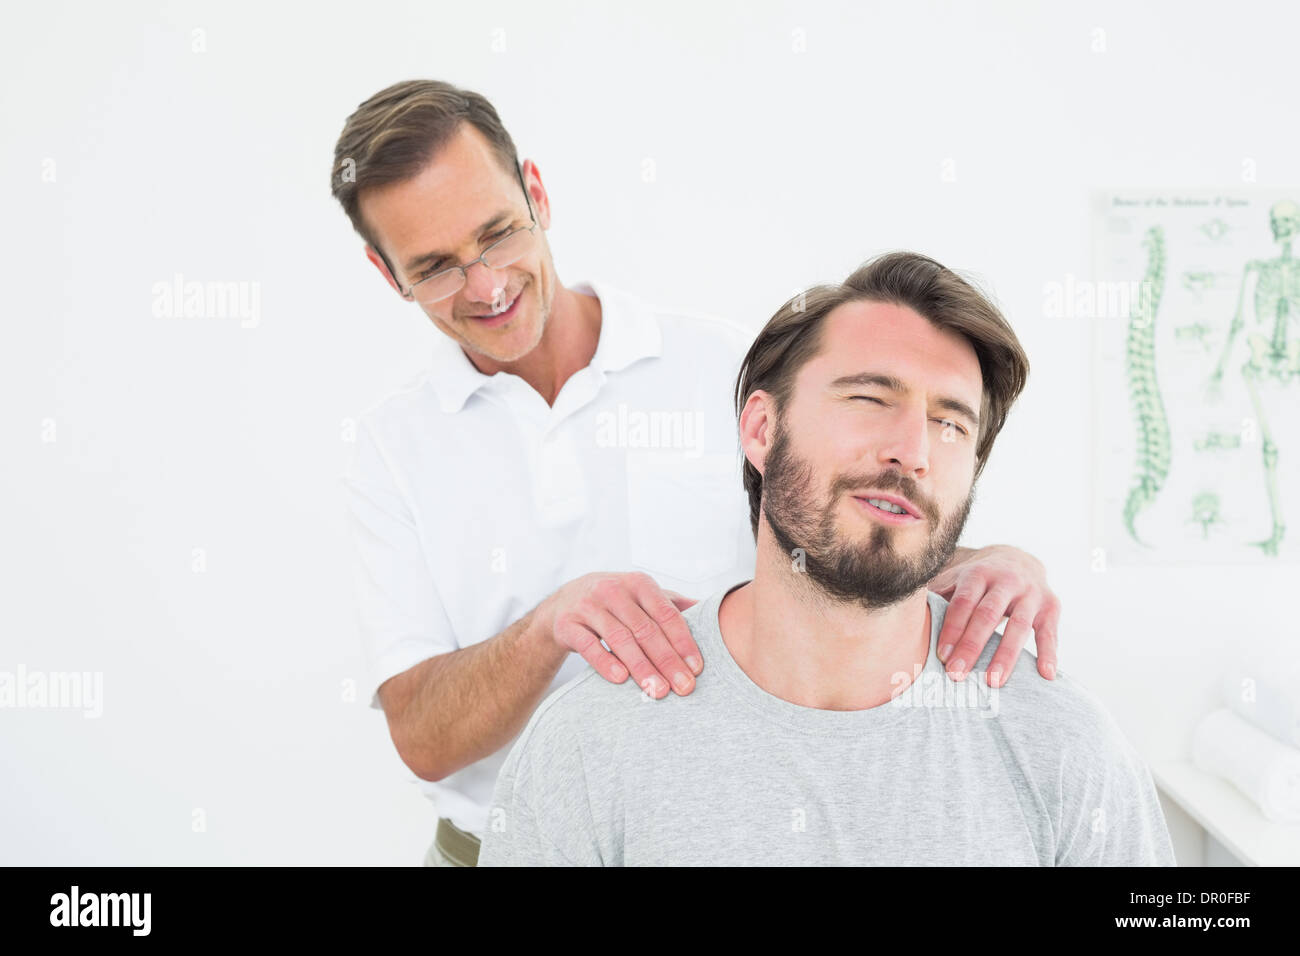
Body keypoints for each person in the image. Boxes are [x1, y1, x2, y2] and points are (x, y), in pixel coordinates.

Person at [331, 80, 1063, 867]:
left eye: (499, 233)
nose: (486, 285)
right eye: (435, 267)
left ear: (536, 194)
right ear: (386, 272)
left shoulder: (717, 365)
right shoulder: (389, 448)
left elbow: (827, 541)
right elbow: (424, 739)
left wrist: (984, 563)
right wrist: (549, 626)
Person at [477, 251, 1176, 866]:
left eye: (951, 423)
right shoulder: (590, 743)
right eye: (871, 397)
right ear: (760, 428)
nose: (914, 450)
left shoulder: (1061, 743)